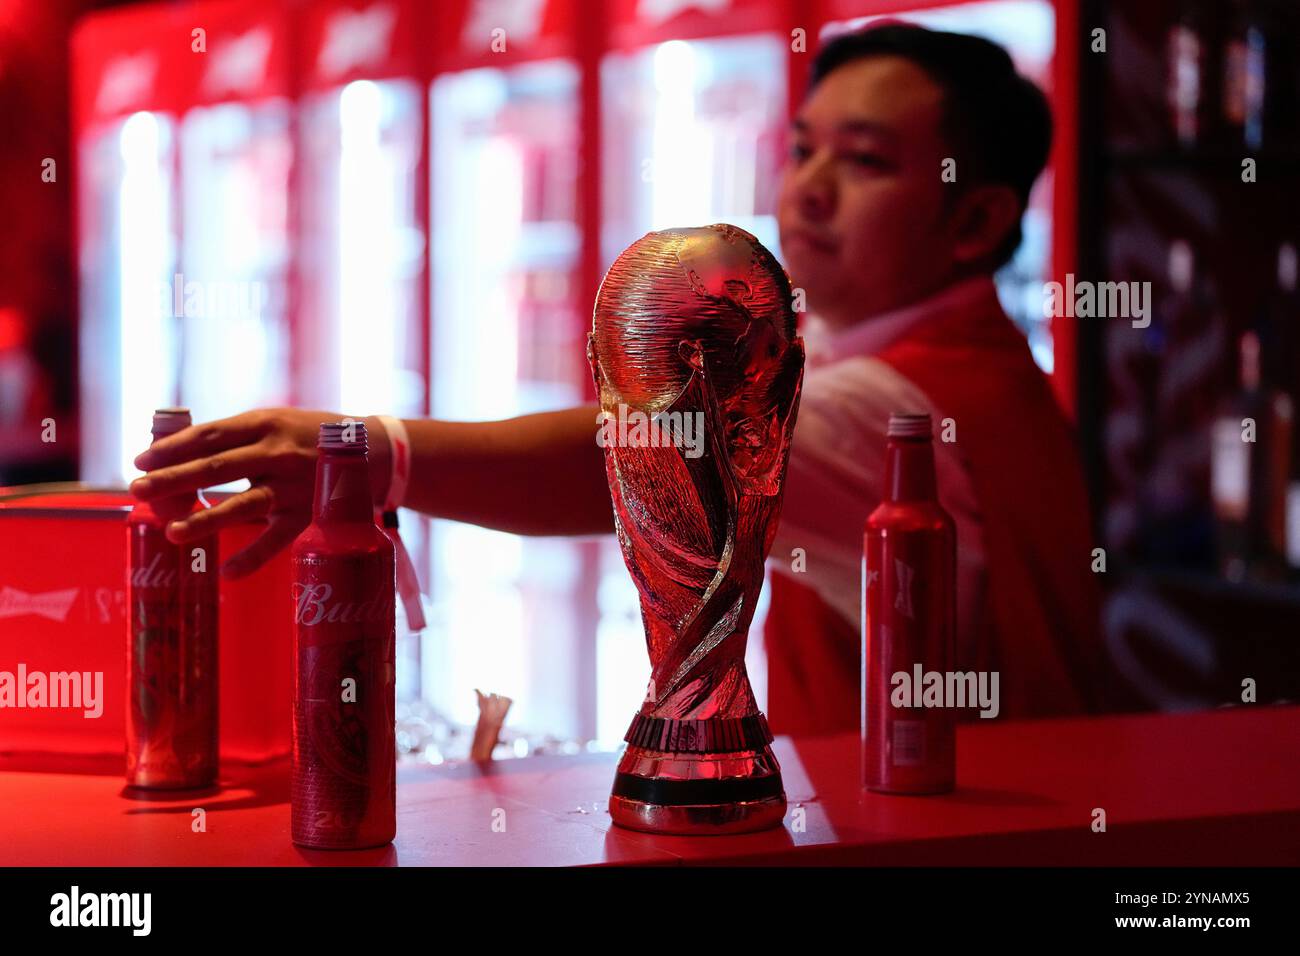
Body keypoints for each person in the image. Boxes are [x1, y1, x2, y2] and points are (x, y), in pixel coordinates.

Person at [130, 23, 1102, 735]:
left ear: (974, 223)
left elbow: (655, 455)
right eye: (803, 149)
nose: (806, 188)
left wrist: (380, 456)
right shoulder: (953, 369)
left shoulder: (900, 407)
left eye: (865, 162)